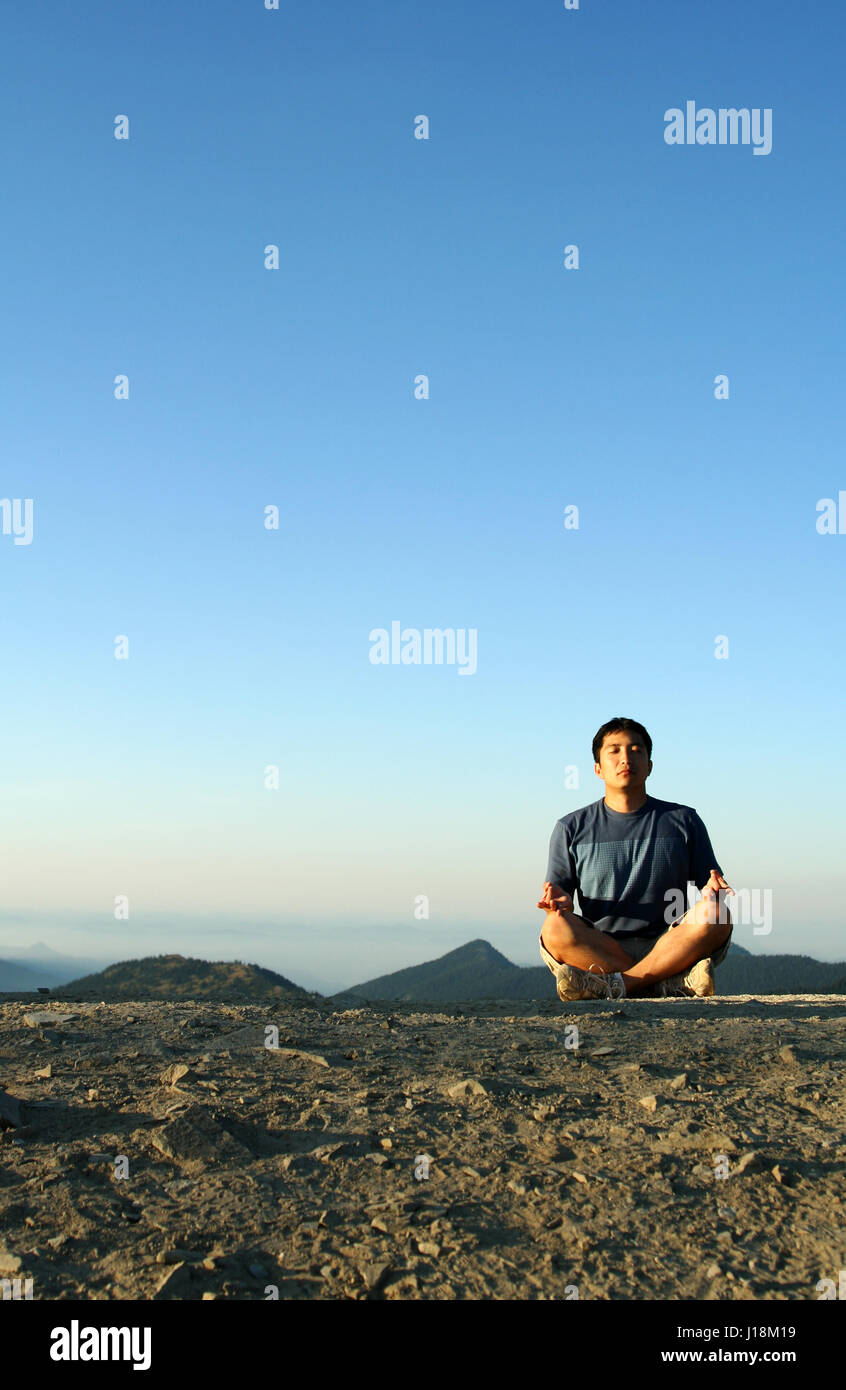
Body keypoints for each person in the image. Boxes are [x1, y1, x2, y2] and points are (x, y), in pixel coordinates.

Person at [538, 717, 733, 1001]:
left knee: (717, 915)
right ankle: (666, 983)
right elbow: (559, 899)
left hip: (670, 943)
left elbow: (710, 887)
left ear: (650, 765)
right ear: (598, 769)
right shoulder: (571, 828)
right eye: (614, 750)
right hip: (602, 948)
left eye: (636, 750)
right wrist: (558, 904)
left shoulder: (683, 820)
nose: (626, 758)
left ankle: (618, 985)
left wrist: (712, 891)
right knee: (554, 928)